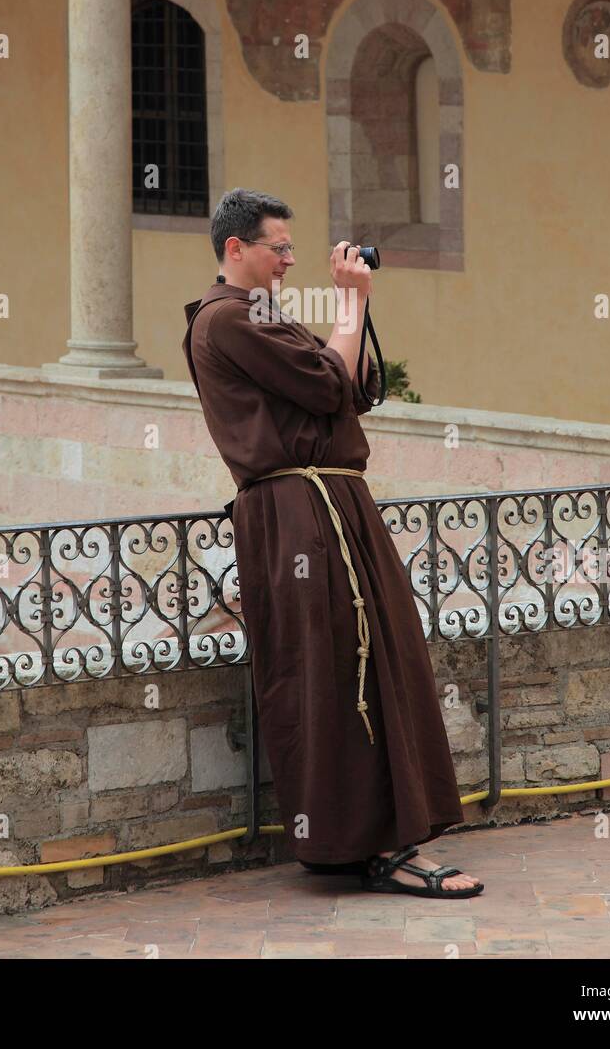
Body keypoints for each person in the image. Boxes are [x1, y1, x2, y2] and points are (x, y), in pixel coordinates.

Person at [182, 188, 483, 898]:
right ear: (235, 249)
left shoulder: (264, 318)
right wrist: (349, 306)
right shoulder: (226, 321)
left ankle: (384, 838)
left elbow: (356, 385)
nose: (290, 259)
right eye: (278, 247)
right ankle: (369, 847)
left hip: (328, 505)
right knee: (337, 671)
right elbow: (328, 387)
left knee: (379, 658)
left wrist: (351, 322)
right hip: (300, 515)